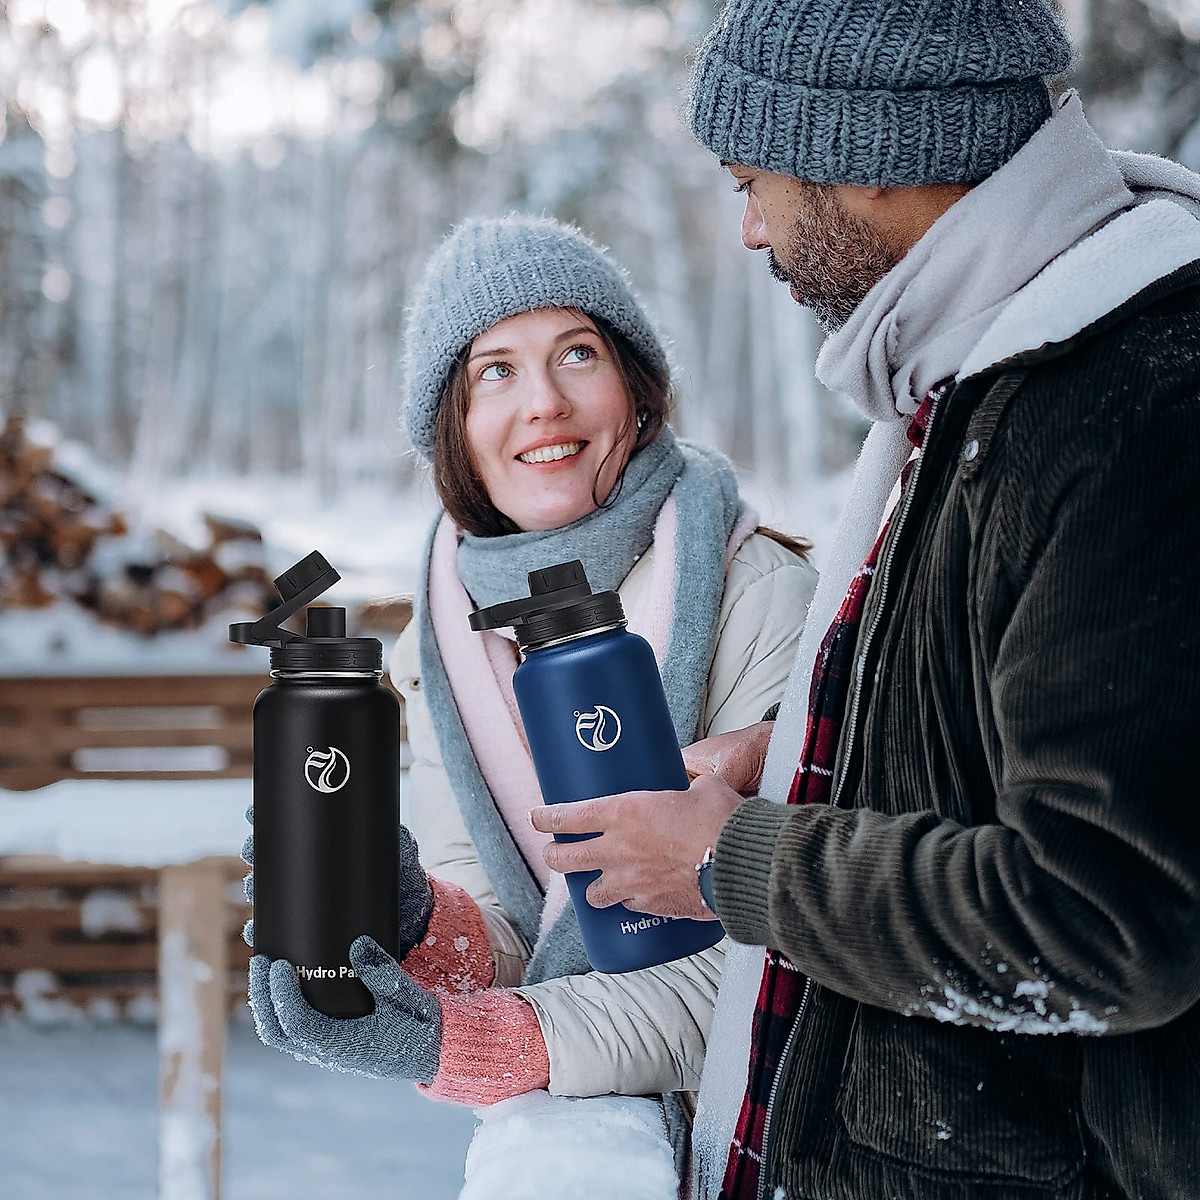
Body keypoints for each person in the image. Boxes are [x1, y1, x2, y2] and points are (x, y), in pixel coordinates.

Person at [532, 2, 1200, 1198]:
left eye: (754, 183)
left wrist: (741, 863)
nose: (748, 232)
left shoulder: (1131, 415)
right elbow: (991, 733)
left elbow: (1109, 921)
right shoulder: (984, 372)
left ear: (867, 155)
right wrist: (803, 760)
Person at [241, 214, 818, 1181]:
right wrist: (420, 914)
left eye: (576, 354)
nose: (542, 403)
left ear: (636, 390)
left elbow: (776, 956)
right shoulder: (446, 636)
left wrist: (482, 1045)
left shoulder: (756, 594)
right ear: (455, 429)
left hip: (775, 1137)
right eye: (494, 371)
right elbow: (521, 935)